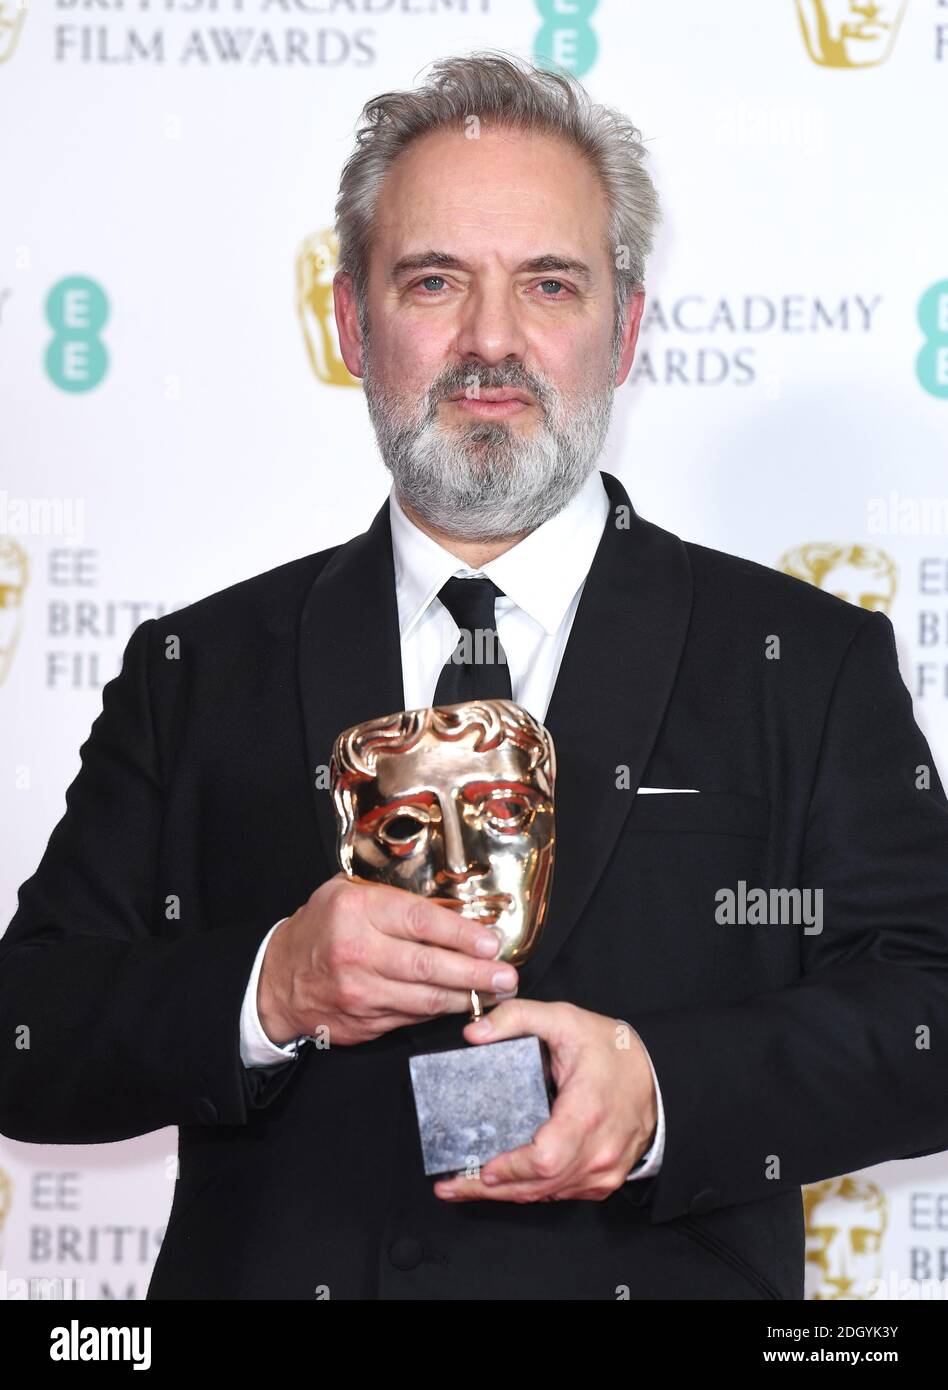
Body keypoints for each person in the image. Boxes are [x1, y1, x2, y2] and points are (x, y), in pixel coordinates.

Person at [3, 50, 948, 1302]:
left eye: (549, 283)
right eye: (435, 279)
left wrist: (663, 1087)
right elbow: (32, 1035)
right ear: (351, 322)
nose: (491, 340)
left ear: (626, 325)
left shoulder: (804, 663)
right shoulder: (197, 668)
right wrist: (268, 985)